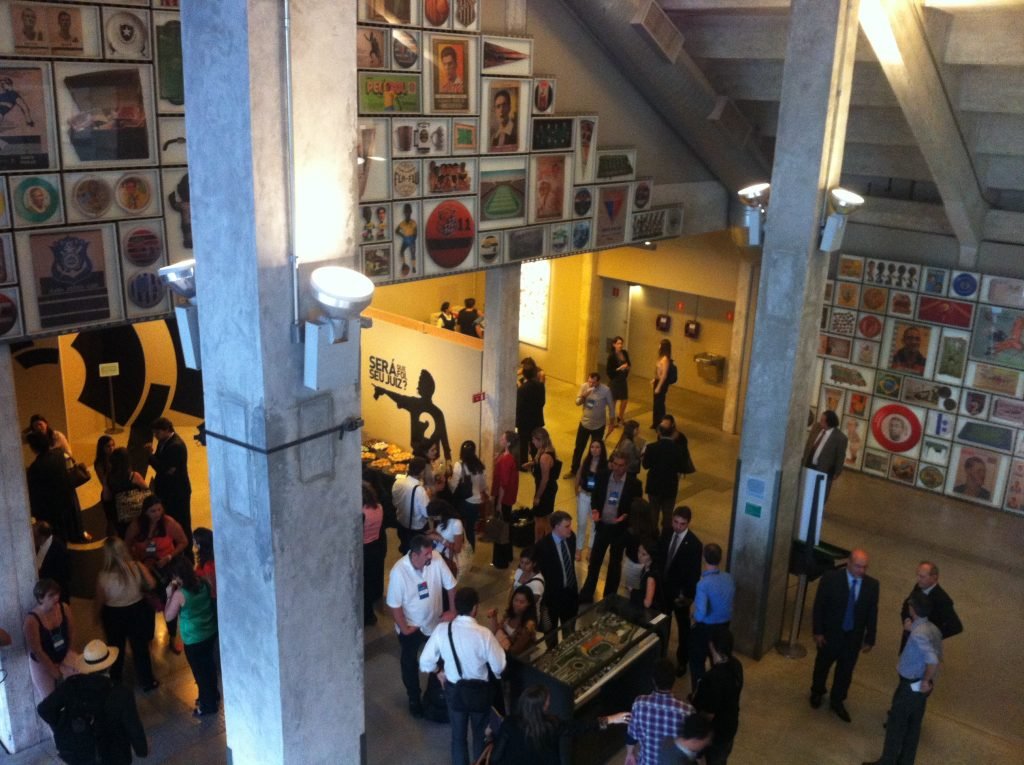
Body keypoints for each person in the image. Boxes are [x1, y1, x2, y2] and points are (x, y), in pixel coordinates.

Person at [419, 587, 505, 765]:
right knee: (479, 734)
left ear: (456, 607)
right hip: (479, 692)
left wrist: (438, 672)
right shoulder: (484, 635)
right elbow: (499, 666)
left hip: (455, 690)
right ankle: (479, 761)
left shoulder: (442, 630)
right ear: (475, 608)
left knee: (458, 737)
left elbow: (425, 661)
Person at [37, 639, 149, 765]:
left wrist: (62, 725)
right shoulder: (121, 693)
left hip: (80, 755)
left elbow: (44, 709)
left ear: (86, 665)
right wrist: (142, 750)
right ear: (109, 665)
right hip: (114, 756)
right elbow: (133, 727)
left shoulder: (71, 685)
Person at [862, 591, 942, 765]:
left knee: (896, 724)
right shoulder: (932, 629)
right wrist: (930, 682)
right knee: (913, 726)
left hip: (911, 685)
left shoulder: (918, 633)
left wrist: (925, 680)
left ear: (913, 609)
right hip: (920, 689)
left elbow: (932, 660)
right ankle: (905, 761)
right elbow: (934, 653)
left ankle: (887, 761)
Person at [386, 534, 457, 717]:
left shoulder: (436, 558)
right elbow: (394, 604)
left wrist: (453, 610)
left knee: (440, 658)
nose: (430, 556)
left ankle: (435, 694)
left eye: (430, 552)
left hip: (434, 623)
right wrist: (404, 628)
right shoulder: (399, 572)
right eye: (426, 554)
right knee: (409, 662)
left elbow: (450, 585)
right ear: (414, 555)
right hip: (412, 627)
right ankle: (414, 697)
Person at [810, 548, 879, 723]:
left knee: (845, 672)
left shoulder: (872, 585)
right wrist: (818, 631)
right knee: (822, 665)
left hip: (852, 638)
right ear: (848, 563)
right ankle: (817, 691)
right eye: (858, 566)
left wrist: (870, 638)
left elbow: (872, 613)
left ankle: (837, 700)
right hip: (830, 634)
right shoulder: (831, 578)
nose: (861, 571)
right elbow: (819, 606)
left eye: (865, 567)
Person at [492, 684, 630, 765]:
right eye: (547, 701)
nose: (549, 702)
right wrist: (611, 719)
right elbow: (581, 727)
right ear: (542, 707)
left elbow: (496, 756)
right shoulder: (551, 726)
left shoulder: (509, 723)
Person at [125, 495, 188, 654]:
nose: (157, 514)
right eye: (153, 511)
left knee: (170, 603)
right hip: (145, 571)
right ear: (145, 511)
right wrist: (137, 562)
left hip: (166, 570)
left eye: (159, 509)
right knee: (147, 607)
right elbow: (126, 545)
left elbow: (183, 541)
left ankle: (172, 637)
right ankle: (148, 638)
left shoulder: (168, 523)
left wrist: (169, 557)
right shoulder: (136, 525)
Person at [94, 538, 158, 691]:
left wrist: (95, 615)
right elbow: (152, 583)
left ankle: (115, 681)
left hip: (113, 615)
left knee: (115, 649)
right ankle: (147, 682)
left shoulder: (103, 576)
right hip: (137, 610)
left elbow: (100, 600)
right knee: (140, 648)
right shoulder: (136, 566)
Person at [579, 453, 643, 603]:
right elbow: (595, 495)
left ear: (627, 466)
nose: (617, 468)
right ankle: (587, 593)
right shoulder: (602, 476)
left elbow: (637, 506)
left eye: (621, 465)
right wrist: (595, 509)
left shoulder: (634, 484)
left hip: (619, 530)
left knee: (615, 564)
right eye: (615, 464)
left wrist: (626, 516)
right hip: (603, 526)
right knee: (595, 561)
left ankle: (609, 597)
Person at [164, 558, 220, 717]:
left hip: (194, 639)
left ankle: (208, 705)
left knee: (200, 672)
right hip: (210, 632)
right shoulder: (203, 583)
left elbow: (168, 616)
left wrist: (169, 596)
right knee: (209, 666)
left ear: (177, 576)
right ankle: (212, 694)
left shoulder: (180, 594)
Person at [624, 658, 694, 765]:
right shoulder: (687, 711)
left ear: (653, 680)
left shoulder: (639, 704)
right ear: (673, 681)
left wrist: (630, 754)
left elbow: (631, 736)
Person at [659, 506, 703, 676]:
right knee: (663, 622)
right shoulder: (666, 532)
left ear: (688, 523)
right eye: (675, 522)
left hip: (680, 594)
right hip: (664, 589)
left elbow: (694, 574)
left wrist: (687, 595)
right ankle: (661, 653)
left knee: (683, 628)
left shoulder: (694, 544)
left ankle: (682, 660)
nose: (678, 526)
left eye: (682, 524)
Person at [374, 369, 451, 463]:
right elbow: (444, 438)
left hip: (423, 454)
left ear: (420, 389)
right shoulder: (437, 412)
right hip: (428, 456)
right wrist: (448, 459)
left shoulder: (415, 404)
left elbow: (399, 397)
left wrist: (384, 391)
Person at [692, 629, 744, 765]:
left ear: (713, 647)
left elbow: (708, 715)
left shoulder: (712, 679)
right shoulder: (736, 665)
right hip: (730, 727)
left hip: (716, 735)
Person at [26, 431, 87, 544]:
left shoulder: (35, 468)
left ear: (34, 448)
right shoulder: (59, 454)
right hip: (67, 498)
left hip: (51, 506)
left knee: (57, 535)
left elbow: (35, 492)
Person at [688, 543, 735, 689]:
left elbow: (701, 614)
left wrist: (693, 615)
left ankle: (699, 692)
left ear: (704, 558)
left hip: (705, 629)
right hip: (724, 627)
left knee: (697, 662)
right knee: (719, 662)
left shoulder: (703, 584)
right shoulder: (728, 578)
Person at [24, 579, 78, 701]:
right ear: (40, 599)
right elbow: (37, 651)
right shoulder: (31, 621)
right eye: (51, 595)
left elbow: (72, 631)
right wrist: (55, 672)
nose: (56, 598)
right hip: (42, 664)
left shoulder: (64, 608)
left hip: (64, 656)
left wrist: (69, 655)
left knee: (74, 692)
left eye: (57, 593)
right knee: (51, 700)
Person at [643, 415, 695, 532]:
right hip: (670, 485)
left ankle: (653, 535)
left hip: (654, 485)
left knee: (653, 512)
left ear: (659, 433)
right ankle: (666, 536)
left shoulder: (651, 447)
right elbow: (683, 467)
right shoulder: (678, 450)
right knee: (668, 514)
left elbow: (645, 465)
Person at [146, 417, 192, 546]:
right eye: (154, 433)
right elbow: (161, 463)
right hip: (168, 490)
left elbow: (164, 469)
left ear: (167, 430)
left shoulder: (176, 446)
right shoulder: (163, 441)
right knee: (170, 520)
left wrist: (150, 456)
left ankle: (186, 549)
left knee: (182, 521)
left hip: (177, 492)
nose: (155, 436)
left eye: (157, 432)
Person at [899, 561, 962, 653]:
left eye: (922, 577)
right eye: (917, 575)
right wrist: (907, 619)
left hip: (924, 648)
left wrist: (929, 636)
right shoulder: (919, 586)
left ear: (934, 577)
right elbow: (907, 605)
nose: (918, 579)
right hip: (909, 642)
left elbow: (956, 627)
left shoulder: (943, 599)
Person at [534, 511, 579, 641]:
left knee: (569, 630)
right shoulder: (542, 547)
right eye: (567, 526)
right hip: (552, 597)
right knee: (550, 633)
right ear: (556, 527)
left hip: (570, 593)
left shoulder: (571, 537)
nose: (570, 529)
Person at [567, 372, 616, 478]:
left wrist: (611, 424)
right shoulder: (584, 387)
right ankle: (574, 470)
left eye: (593, 382)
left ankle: (593, 472)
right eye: (589, 381)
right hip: (584, 423)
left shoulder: (606, 390)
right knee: (579, 448)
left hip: (598, 426)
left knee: (596, 450)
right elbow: (577, 402)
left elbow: (611, 407)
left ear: (598, 382)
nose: (591, 384)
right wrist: (584, 396)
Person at [449, 440, 487, 551]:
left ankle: (460, 552)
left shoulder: (459, 465)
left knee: (459, 528)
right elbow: (483, 485)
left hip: (463, 502)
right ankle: (471, 552)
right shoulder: (479, 466)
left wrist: (448, 481)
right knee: (470, 529)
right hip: (476, 502)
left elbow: (453, 486)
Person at [573, 440, 608, 562]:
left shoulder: (605, 464)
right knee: (581, 523)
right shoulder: (586, 461)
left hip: (597, 498)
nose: (594, 449)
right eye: (592, 447)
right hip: (584, 495)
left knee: (594, 524)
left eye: (597, 447)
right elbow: (579, 474)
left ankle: (591, 549)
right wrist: (576, 489)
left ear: (602, 449)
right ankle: (578, 548)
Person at [803, 410, 848, 501]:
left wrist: (837, 472)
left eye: (822, 420)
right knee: (805, 490)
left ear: (829, 423)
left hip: (824, 470)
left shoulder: (840, 438)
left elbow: (840, 457)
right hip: (808, 465)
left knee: (819, 495)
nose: (820, 422)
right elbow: (809, 443)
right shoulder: (816, 427)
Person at [105, 447, 150, 538]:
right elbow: (147, 491)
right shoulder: (134, 476)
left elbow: (107, 498)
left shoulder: (109, 478)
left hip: (121, 517)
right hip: (136, 515)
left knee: (125, 538)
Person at [490, 430, 519, 569]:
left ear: (508, 443)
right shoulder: (507, 456)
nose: (500, 440)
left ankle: (500, 560)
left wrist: (499, 503)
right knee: (506, 526)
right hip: (507, 498)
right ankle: (508, 555)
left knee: (501, 528)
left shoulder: (506, 459)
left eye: (503, 439)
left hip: (503, 498)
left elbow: (503, 483)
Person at [527, 428, 561, 541]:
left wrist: (538, 496)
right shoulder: (547, 449)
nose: (533, 442)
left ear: (540, 440)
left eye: (534, 440)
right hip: (550, 488)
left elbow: (544, 480)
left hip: (545, 490)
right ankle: (548, 541)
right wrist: (531, 464)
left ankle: (538, 542)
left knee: (539, 518)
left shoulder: (545, 457)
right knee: (547, 517)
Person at [392, 457, 430, 554]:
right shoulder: (420, 490)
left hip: (401, 523)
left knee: (405, 547)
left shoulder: (398, 482)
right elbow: (427, 513)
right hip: (416, 528)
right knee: (416, 552)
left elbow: (395, 502)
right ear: (421, 472)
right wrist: (428, 496)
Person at [488, 585, 538, 656]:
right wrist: (494, 617)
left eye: (522, 602)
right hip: (501, 649)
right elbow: (496, 630)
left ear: (528, 604)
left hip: (516, 656)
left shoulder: (528, 625)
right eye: (516, 600)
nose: (517, 604)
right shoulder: (510, 613)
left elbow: (515, 651)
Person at [362, 482, 386, 626]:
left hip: (365, 549)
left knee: (364, 583)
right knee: (371, 580)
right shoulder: (379, 507)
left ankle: (368, 615)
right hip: (376, 546)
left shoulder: (362, 513)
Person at [516, 364, 546, 467]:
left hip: (524, 421)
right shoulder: (540, 386)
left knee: (523, 444)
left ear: (524, 375)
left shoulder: (522, 389)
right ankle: (535, 462)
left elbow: (519, 406)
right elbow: (542, 402)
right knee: (535, 442)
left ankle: (523, 464)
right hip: (536, 419)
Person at [34, 521, 71, 604]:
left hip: (54, 594)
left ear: (42, 537)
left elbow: (65, 574)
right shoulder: (39, 545)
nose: (32, 538)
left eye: (35, 536)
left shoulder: (59, 549)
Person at [511, 546, 546, 630]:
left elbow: (530, 606)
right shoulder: (519, 571)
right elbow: (512, 589)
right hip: (515, 612)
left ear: (534, 563)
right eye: (521, 562)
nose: (523, 566)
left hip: (527, 618)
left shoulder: (537, 584)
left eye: (527, 563)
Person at [93, 436, 117, 537]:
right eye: (108, 446)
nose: (111, 448)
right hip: (109, 493)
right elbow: (103, 481)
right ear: (102, 448)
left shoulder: (117, 457)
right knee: (111, 521)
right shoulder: (100, 463)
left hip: (118, 491)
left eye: (113, 445)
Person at [606, 336, 632, 426]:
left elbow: (629, 363)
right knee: (613, 401)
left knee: (625, 400)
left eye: (621, 343)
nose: (620, 345)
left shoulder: (624, 353)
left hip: (623, 380)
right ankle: (612, 419)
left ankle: (620, 417)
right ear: (614, 345)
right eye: (618, 343)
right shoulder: (611, 356)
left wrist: (627, 368)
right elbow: (609, 371)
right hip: (615, 381)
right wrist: (620, 368)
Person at [628, 538, 659, 610]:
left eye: (644, 554)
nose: (639, 556)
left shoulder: (651, 577)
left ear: (651, 556)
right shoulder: (643, 567)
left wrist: (632, 590)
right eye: (638, 551)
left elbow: (647, 604)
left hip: (647, 612)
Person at [651, 340, 673, 428]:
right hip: (657, 381)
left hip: (661, 383)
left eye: (660, 345)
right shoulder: (661, 357)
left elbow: (664, 375)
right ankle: (655, 422)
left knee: (659, 404)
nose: (658, 346)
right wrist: (654, 379)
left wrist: (658, 387)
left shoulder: (665, 359)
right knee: (656, 403)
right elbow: (658, 371)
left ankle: (661, 423)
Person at [395, 202, 418, 275]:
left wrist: (413, 238)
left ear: (411, 212)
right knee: (401, 251)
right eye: (406, 212)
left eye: (409, 212)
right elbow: (396, 231)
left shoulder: (413, 222)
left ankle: (413, 267)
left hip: (411, 239)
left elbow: (416, 232)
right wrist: (402, 235)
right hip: (406, 239)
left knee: (413, 253)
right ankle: (404, 264)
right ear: (404, 213)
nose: (407, 214)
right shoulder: (402, 223)